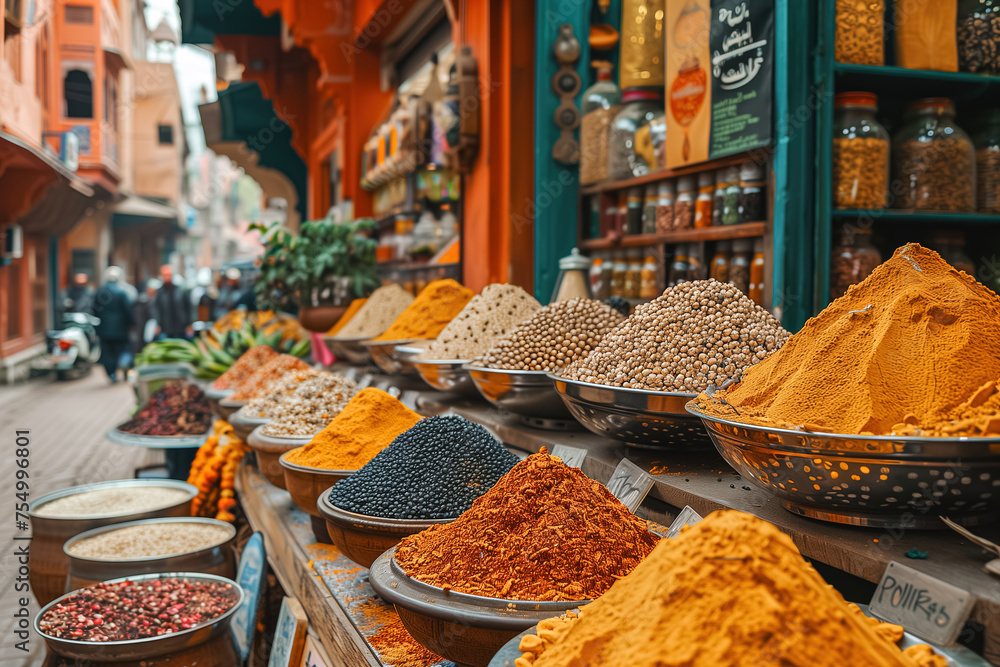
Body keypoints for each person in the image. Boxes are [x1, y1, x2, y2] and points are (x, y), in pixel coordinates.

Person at [91, 266, 135, 383]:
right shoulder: (122, 293)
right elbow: (128, 311)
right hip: (120, 330)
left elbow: (94, 310)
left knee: (106, 352)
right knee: (119, 351)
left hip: (104, 330)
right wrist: (132, 324)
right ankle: (120, 371)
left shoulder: (100, 291)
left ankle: (111, 373)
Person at [152, 265, 193, 339]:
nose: (167, 277)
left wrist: (190, 324)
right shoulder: (160, 292)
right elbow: (156, 309)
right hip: (165, 328)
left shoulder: (181, 290)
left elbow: (189, 307)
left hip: (181, 327)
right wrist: (157, 324)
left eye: (169, 275)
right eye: (165, 275)